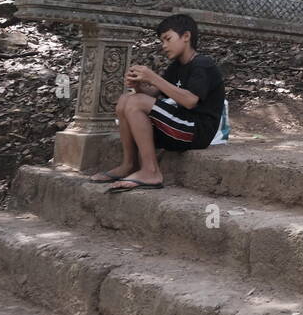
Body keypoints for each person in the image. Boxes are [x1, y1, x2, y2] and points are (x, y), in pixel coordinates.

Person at [89, 14, 226, 192]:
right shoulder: (176, 66)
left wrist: (153, 77)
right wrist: (138, 86)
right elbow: (154, 95)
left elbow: (190, 100)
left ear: (186, 36)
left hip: (195, 131)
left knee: (135, 102)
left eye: (168, 39)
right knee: (125, 100)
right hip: (177, 126)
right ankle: (129, 164)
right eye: (162, 41)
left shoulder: (203, 64)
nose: (164, 46)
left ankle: (151, 171)